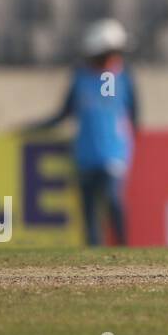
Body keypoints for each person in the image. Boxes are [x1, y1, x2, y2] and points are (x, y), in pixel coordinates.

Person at [24, 19, 138, 247]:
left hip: (113, 154)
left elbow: (134, 115)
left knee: (113, 201)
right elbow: (64, 112)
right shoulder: (81, 77)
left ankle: (125, 251)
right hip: (85, 155)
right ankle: (94, 262)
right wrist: (33, 128)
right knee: (89, 212)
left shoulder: (122, 77)